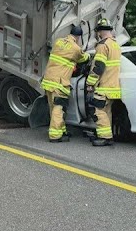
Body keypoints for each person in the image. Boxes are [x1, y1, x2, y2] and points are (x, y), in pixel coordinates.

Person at [40, 24, 88, 142]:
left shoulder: (58, 42)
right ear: (78, 37)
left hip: (48, 81)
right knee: (59, 108)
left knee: (53, 107)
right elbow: (84, 58)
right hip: (59, 83)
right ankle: (55, 136)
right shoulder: (76, 48)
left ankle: (61, 131)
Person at [86, 17, 122, 147]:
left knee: (97, 111)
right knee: (106, 112)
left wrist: (90, 83)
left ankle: (104, 137)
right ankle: (106, 134)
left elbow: (98, 67)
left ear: (99, 32)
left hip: (103, 87)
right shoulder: (115, 45)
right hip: (113, 87)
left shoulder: (102, 46)